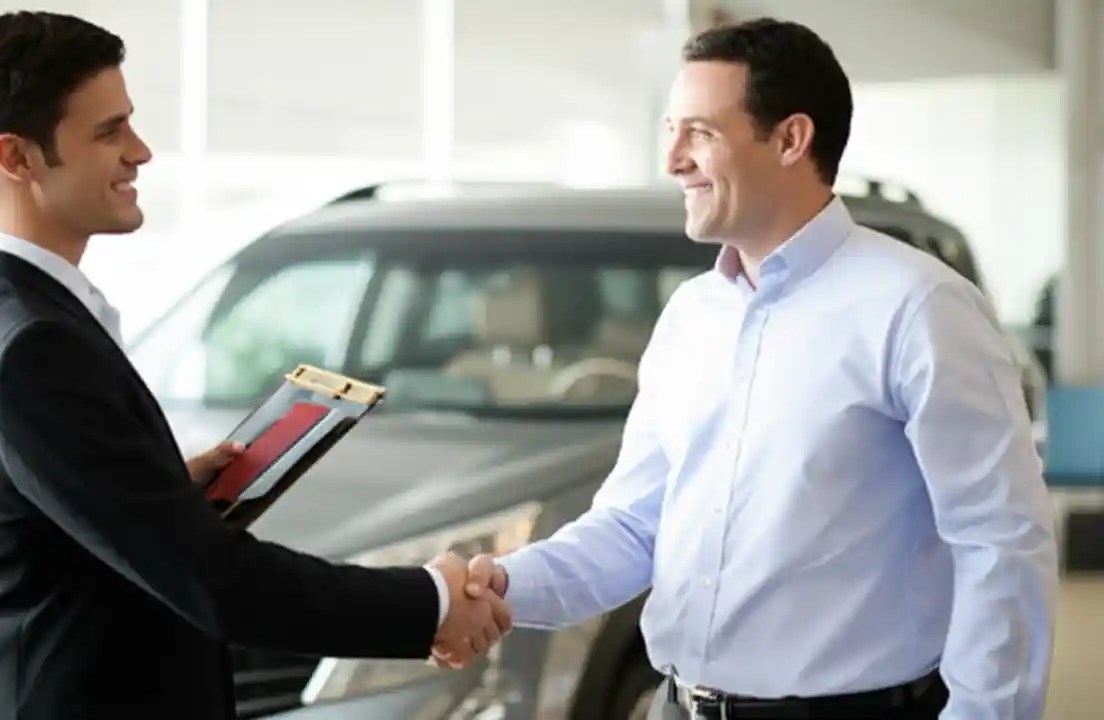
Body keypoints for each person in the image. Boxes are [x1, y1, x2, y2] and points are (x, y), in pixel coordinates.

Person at [453, 17, 1059, 720]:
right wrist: (496, 587)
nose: (673, 159)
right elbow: (631, 529)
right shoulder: (692, 316)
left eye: (700, 133)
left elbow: (1000, 543)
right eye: (670, 130)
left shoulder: (919, 308)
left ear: (792, 139)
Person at [0, 11, 507, 720]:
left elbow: (64, 531)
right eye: (108, 131)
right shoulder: (31, 344)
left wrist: (158, 488)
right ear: (16, 158)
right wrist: (433, 601)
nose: (139, 152)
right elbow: (216, 582)